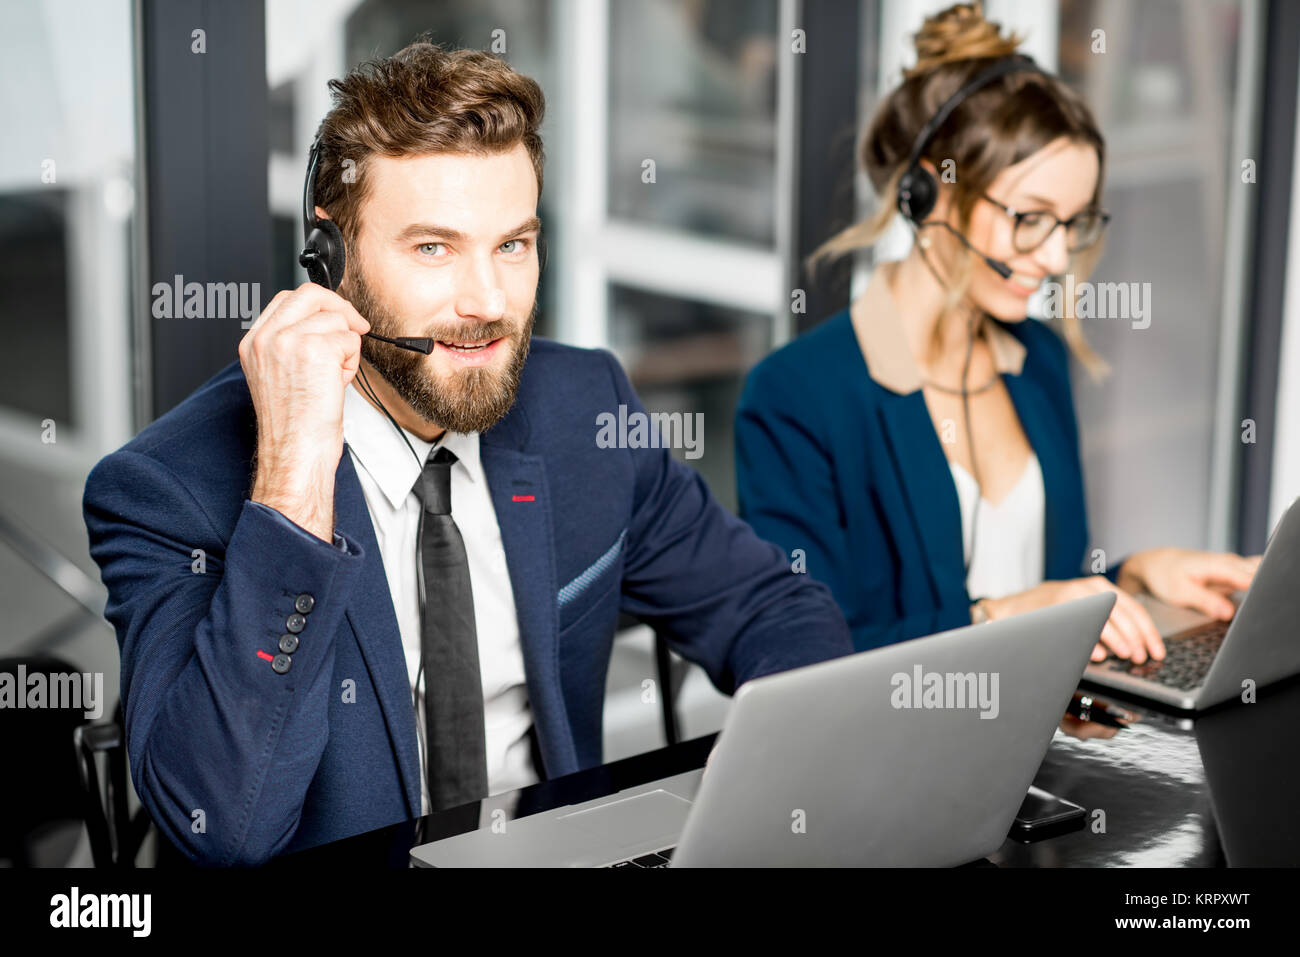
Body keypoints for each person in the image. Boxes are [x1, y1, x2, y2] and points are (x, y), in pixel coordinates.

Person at [82, 42, 851, 867]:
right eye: (433, 248)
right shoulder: (165, 490)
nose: (488, 304)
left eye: (512, 245)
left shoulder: (585, 408)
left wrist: (775, 800)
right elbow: (222, 826)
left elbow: (774, 611)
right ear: (328, 260)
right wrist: (294, 477)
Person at [734, 2, 1257, 658]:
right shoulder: (798, 395)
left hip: (1045, 735)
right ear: (931, 197)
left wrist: (1129, 578)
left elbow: (1045, 592)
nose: (1058, 257)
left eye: (1073, 223)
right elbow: (803, 660)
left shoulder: (1037, 357)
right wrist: (996, 619)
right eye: (1030, 218)